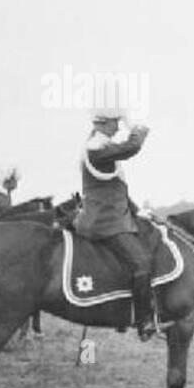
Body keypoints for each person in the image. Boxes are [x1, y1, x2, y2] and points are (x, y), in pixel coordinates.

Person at [74, 106, 157, 340]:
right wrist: (138, 128)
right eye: (114, 123)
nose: (118, 127)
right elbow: (132, 147)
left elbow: (115, 189)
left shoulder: (100, 145)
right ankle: (144, 321)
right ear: (102, 123)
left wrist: (138, 211)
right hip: (106, 221)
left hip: (110, 215)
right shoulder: (96, 148)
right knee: (142, 264)